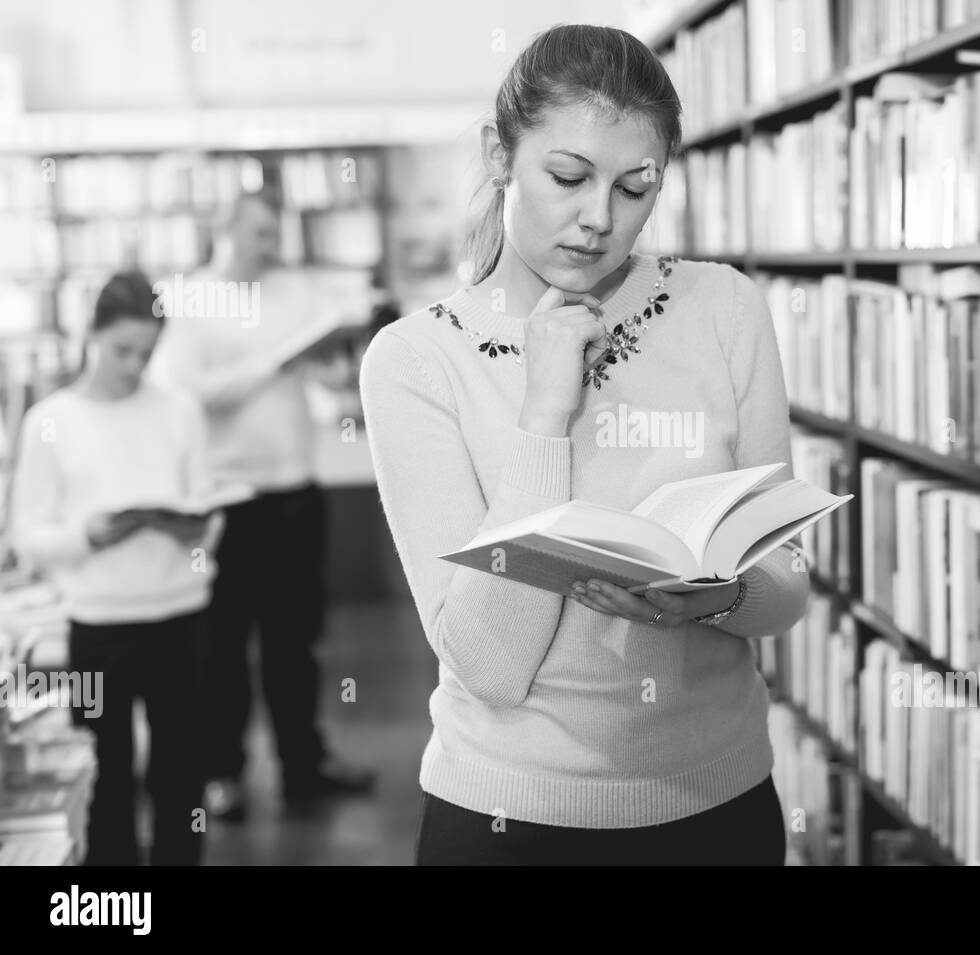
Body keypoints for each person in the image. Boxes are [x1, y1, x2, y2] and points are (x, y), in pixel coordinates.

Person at [359, 24, 810, 866]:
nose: (600, 219)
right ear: (500, 155)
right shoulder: (417, 360)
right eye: (567, 177)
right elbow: (489, 665)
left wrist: (712, 599)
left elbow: (787, 589)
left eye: (636, 186)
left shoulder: (724, 308)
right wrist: (544, 416)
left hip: (718, 804)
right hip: (507, 820)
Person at [149, 193, 375, 820]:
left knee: (295, 640)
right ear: (222, 231)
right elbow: (184, 395)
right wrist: (276, 359)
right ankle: (222, 774)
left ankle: (304, 764)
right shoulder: (189, 300)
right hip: (228, 500)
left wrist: (338, 367)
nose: (272, 246)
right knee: (222, 646)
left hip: (296, 494)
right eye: (258, 234)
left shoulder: (295, 293)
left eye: (275, 234)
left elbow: (325, 380)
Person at [10, 271, 215, 865]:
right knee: (105, 774)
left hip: (180, 614)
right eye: (121, 350)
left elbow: (206, 509)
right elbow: (29, 537)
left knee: (181, 772)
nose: (133, 366)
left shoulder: (180, 411)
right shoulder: (51, 420)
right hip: (98, 625)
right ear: (90, 334)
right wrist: (86, 536)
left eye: (146, 354)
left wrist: (193, 526)